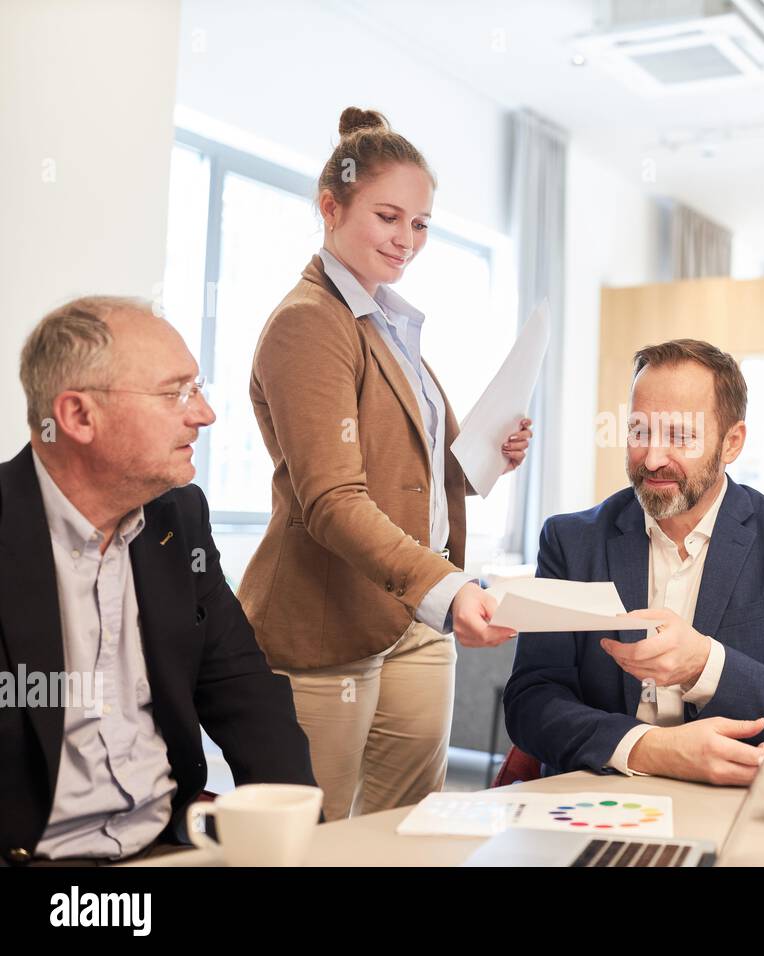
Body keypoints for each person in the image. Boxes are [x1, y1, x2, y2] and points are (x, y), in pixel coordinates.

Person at [237, 107, 531, 821]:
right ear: (330, 207)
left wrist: (480, 458)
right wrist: (449, 585)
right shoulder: (310, 322)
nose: (407, 240)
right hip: (328, 623)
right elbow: (333, 498)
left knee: (405, 826)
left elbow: (409, 467)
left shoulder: (388, 321)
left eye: (421, 224)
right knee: (320, 834)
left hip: (412, 620)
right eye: (388, 217)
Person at [1, 297, 315, 866]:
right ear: (77, 417)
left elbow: (242, 685)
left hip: (167, 845)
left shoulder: (178, 518)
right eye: (176, 392)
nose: (204, 414)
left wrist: (296, 831)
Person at [504, 339, 764, 785]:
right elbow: (531, 703)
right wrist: (654, 749)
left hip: (736, 811)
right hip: (599, 797)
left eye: (679, 435)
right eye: (639, 431)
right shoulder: (572, 543)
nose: (653, 459)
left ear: (732, 442)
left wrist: (705, 666)